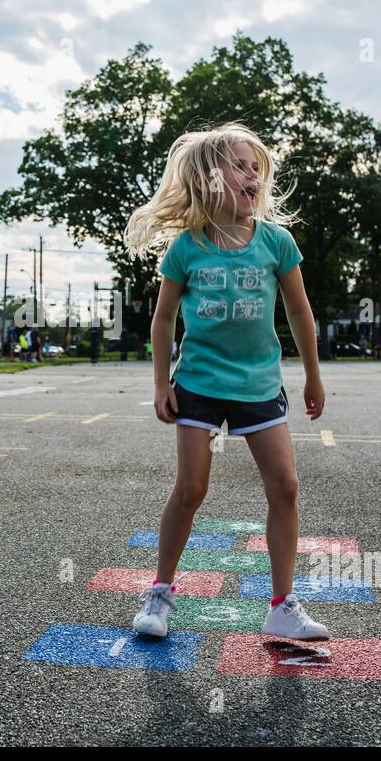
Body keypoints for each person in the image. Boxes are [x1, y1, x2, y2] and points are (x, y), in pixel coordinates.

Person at [121, 121, 330, 642]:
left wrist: (313, 375)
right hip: (199, 382)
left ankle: (282, 605)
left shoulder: (276, 242)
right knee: (191, 489)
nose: (251, 175)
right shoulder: (187, 249)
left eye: (255, 167)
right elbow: (164, 318)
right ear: (208, 179)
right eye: (239, 165)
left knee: (285, 486)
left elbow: (300, 312)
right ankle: (161, 593)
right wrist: (159, 383)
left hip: (259, 384)